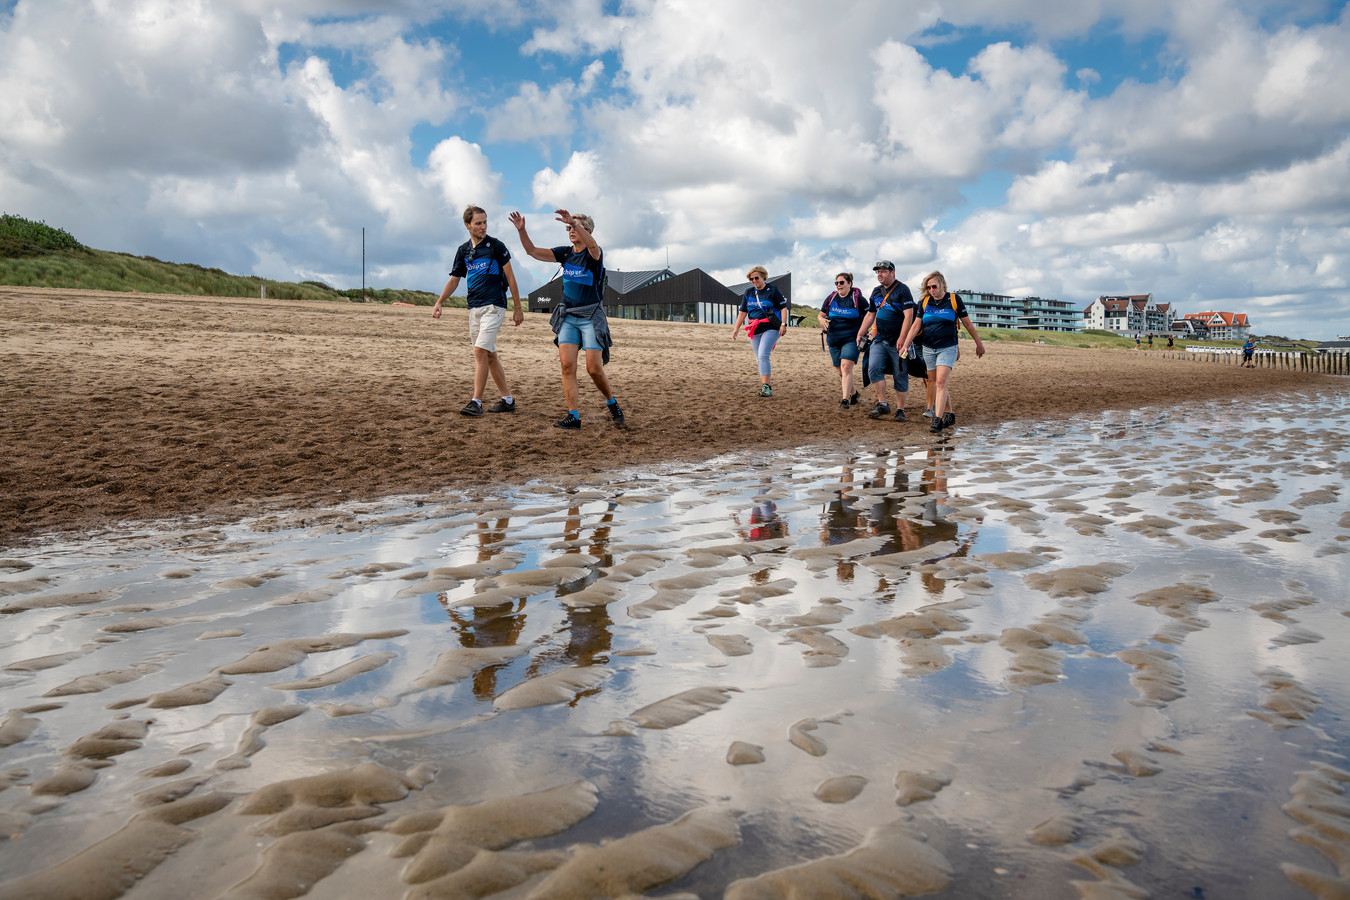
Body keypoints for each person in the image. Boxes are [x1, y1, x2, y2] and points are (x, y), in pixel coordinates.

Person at [509, 209, 624, 429]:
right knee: (567, 365)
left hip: (591, 316)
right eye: (568, 228)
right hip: (569, 316)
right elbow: (532, 251)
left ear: (587, 230)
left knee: (593, 369)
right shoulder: (565, 254)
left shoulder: (593, 254)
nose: (571, 231)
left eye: (574, 227)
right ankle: (573, 416)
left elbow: (593, 247)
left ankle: (612, 403)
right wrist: (522, 230)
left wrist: (575, 222)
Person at [433, 205, 524, 416]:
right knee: (490, 355)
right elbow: (455, 280)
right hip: (474, 308)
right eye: (478, 223)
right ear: (468, 225)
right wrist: (439, 302)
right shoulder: (464, 251)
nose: (483, 227)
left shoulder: (496, 246)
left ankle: (476, 401)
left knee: (479, 351)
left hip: (494, 305)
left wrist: (517, 308)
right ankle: (507, 400)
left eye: (485, 222)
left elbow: (510, 278)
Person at [899, 270, 984, 434]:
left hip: (948, 347)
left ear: (942, 284)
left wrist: (978, 344)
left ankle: (936, 420)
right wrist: (905, 344)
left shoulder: (953, 300)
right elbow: (916, 325)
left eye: (934, 286)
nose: (932, 290)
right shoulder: (924, 302)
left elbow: (967, 324)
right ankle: (950, 414)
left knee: (940, 383)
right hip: (928, 348)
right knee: (935, 383)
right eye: (928, 287)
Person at [857, 260, 915, 421]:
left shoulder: (903, 290)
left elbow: (908, 316)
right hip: (879, 339)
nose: (879, 274)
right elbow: (870, 314)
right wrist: (860, 333)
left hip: (898, 341)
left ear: (892, 272)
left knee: (900, 373)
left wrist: (903, 339)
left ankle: (900, 409)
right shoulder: (876, 291)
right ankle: (883, 404)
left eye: (883, 271)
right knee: (873, 368)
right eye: (878, 272)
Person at [731, 266, 789, 397]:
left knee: (763, 355)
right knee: (760, 358)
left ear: (763, 277)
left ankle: (766, 387)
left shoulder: (773, 290)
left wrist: (783, 325)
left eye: (756, 278)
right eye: (751, 279)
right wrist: (736, 328)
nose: (754, 281)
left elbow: (783, 308)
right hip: (754, 328)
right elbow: (743, 312)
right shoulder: (748, 292)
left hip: (771, 327)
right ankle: (766, 385)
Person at [818, 272, 868, 409]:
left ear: (849, 284)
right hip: (833, 338)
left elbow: (870, 315)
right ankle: (854, 393)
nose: (838, 285)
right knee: (841, 371)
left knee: (846, 367)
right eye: (836, 283)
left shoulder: (858, 299)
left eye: (841, 283)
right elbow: (821, 314)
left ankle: (845, 400)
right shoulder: (831, 298)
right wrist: (822, 320)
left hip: (852, 338)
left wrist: (868, 331)